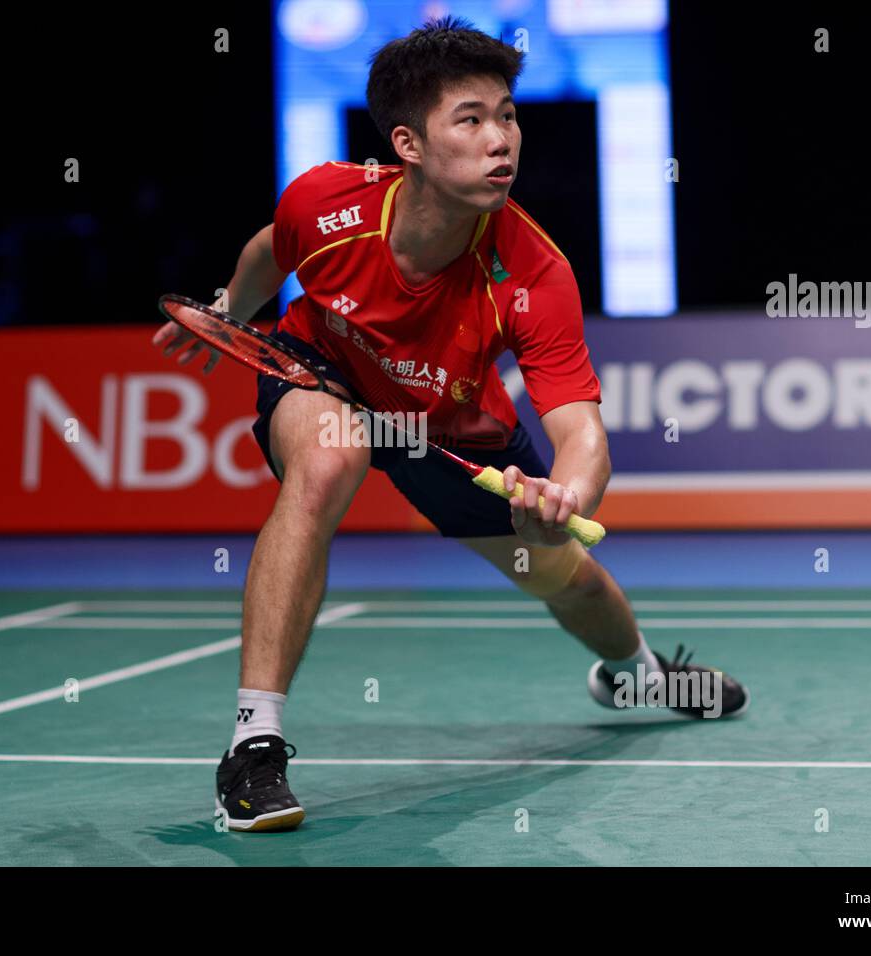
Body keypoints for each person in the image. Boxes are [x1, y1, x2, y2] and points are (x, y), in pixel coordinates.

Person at [153, 15, 748, 833]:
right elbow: (271, 249)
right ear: (409, 144)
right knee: (330, 463)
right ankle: (255, 746)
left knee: (566, 576)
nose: (501, 138)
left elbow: (581, 430)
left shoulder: (534, 272)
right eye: (470, 119)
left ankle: (636, 672)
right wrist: (227, 311)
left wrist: (562, 494)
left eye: (507, 114)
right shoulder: (326, 203)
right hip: (326, 376)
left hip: (453, 431)